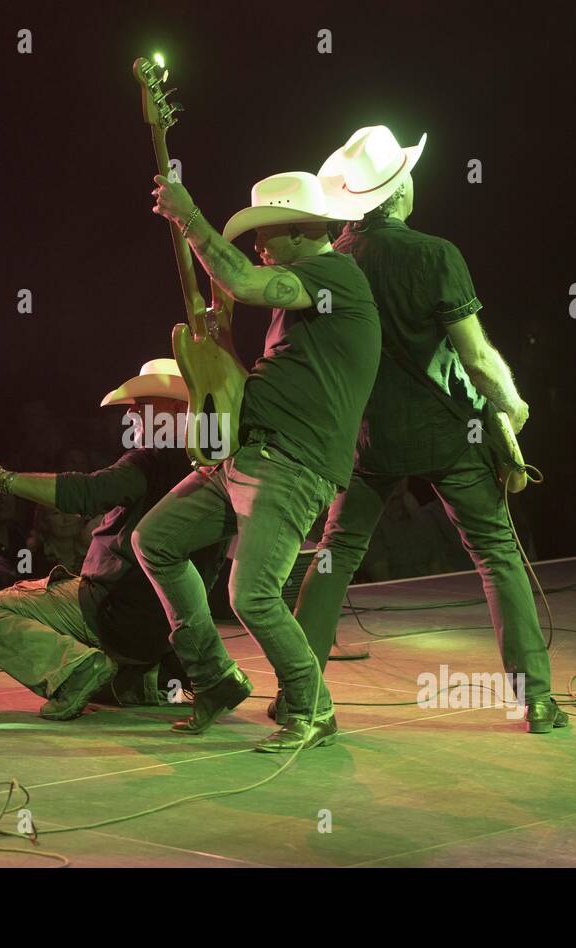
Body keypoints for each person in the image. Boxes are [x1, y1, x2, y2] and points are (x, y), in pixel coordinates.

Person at [290, 125, 566, 732]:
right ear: (399, 188)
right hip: (448, 433)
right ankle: (538, 699)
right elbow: (476, 358)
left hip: (363, 437)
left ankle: (298, 693)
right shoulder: (435, 254)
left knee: (336, 553)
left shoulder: (331, 264)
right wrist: (513, 407)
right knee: (496, 553)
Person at [136, 170, 381, 751]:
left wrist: (188, 218)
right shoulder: (301, 302)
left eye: (265, 232)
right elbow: (260, 387)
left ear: (301, 229)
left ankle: (312, 707)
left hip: (292, 464)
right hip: (252, 455)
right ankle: (216, 678)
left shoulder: (335, 277)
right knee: (156, 541)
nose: (257, 246)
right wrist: (220, 345)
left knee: (253, 595)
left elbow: (244, 280)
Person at [0, 360, 223, 720]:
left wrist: (4, 479)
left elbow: (86, 493)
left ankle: (76, 671)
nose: (132, 411)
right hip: (165, 627)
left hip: (112, 609)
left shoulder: (151, 460)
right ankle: (144, 681)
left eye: (144, 402)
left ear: (180, 410)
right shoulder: (219, 469)